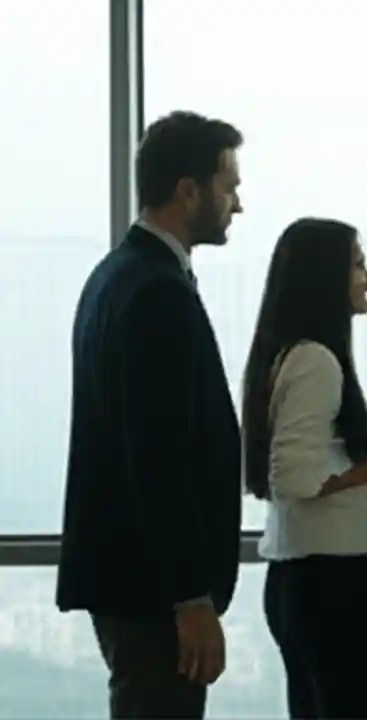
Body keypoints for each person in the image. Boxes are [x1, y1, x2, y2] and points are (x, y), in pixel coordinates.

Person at [56, 111, 244, 718]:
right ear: (188, 191)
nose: (237, 205)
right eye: (228, 188)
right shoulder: (157, 290)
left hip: (131, 579)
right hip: (154, 590)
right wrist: (189, 597)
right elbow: (158, 455)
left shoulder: (114, 277)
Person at [241, 218, 367, 718]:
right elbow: (295, 478)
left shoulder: (285, 355)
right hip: (336, 583)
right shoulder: (315, 361)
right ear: (324, 277)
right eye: (358, 265)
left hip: (305, 579)